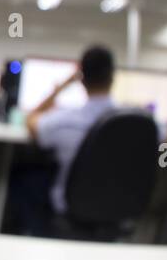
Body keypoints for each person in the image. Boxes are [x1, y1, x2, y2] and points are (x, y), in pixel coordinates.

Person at [27, 46, 117, 216]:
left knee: (20, 180)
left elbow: (31, 120)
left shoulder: (64, 122)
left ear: (82, 79)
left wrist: (60, 88)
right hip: (119, 206)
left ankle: (34, 233)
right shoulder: (139, 122)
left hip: (69, 206)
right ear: (113, 77)